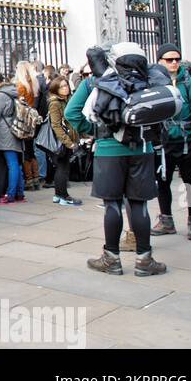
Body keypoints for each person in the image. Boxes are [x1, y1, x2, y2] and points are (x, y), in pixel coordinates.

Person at [65, 44, 167, 278]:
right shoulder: (150, 79)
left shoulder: (96, 81)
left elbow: (72, 112)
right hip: (142, 148)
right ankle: (144, 260)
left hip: (109, 150)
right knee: (139, 204)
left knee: (112, 204)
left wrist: (94, 130)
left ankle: (111, 260)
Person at [151, 44, 191, 241]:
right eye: (169, 59)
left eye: (176, 59)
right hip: (163, 141)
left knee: (190, 182)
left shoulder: (189, 83)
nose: (174, 62)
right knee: (162, 181)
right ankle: (166, 220)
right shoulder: (154, 83)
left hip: (187, 140)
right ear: (160, 61)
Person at [0, 72, 25, 204]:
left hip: (5, 132)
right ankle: (19, 193)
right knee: (16, 164)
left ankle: (10, 194)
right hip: (14, 129)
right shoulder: (11, 91)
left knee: (12, 163)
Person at [46, 77, 82, 206]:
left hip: (66, 139)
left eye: (66, 85)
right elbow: (56, 125)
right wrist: (68, 142)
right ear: (56, 89)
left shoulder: (66, 100)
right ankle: (63, 196)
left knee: (63, 166)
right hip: (61, 141)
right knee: (62, 167)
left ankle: (58, 194)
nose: (65, 88)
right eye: (62, 86)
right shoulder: (55, 103)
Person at [15, 61, 43, 191]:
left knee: (26, 150)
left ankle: (29, 180)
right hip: (33, 118)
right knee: (31, 149)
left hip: (24, 119)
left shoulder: (21, 85)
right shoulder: (34, 83)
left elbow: (20, 105)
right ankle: (35, 178)